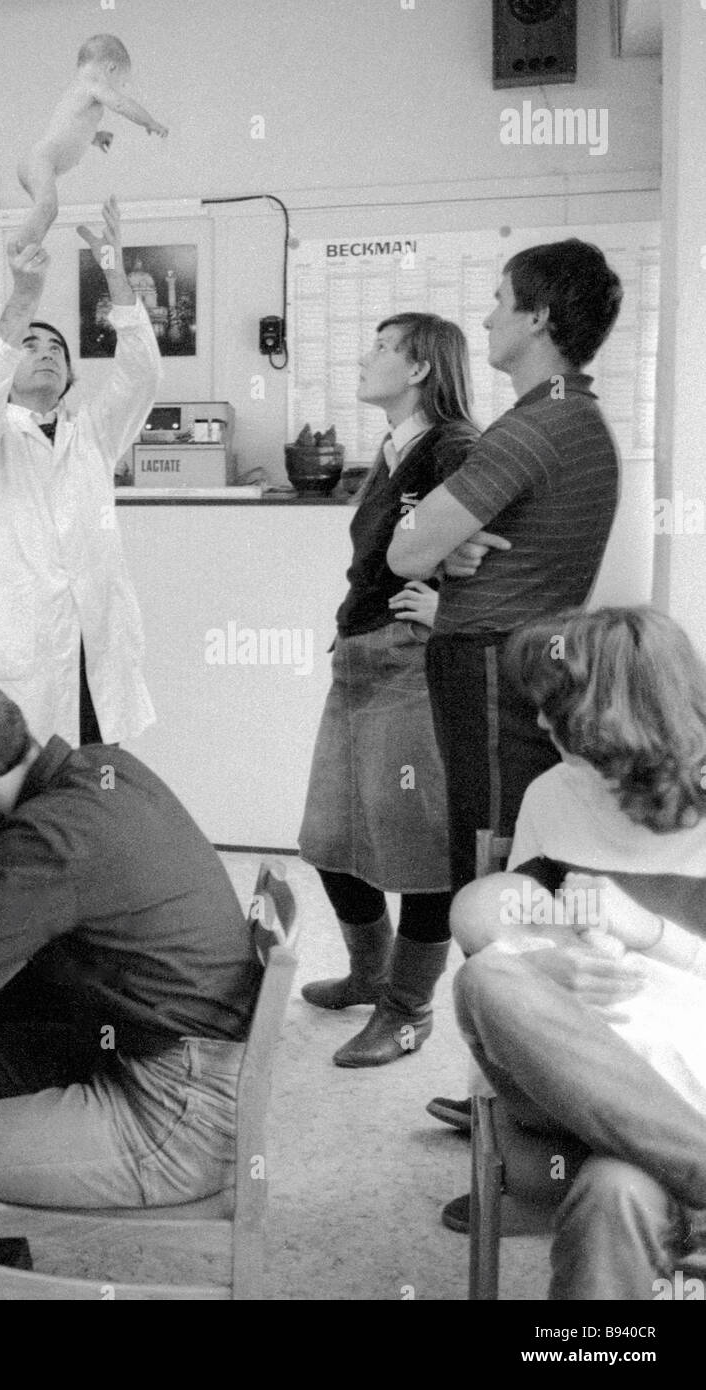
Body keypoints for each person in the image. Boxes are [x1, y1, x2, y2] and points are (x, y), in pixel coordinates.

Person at [0, 668, 262, 1239]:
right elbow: (76, 883)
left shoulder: (47, 839)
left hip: (177, 1116)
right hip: (158, 1049)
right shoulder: (105, 769)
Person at [382, 240, 623, 1131]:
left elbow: (404, 550)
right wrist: (453, 548)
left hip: (490, 666)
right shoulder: (577, 419)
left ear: (538, 317)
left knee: (491, 879)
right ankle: (513, 1092)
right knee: (517, 870)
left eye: (498, 300)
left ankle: (517, 1109)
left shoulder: (531, 427)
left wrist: (439, 546)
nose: (484, 318)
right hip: (522, 665)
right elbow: (435, 547)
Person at [445, 607, 706, 1298]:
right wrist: (540, 965)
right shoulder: (551, 796)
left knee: (614, 1194)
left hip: (687, 1080)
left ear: (613, 719)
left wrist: (651, 933)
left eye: (556, 708)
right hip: (586, 1079)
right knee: (486, 980)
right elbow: (502, 920)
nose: (539, 723)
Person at [298, 313, 479, 1067]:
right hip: (361, 655)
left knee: (419, 848)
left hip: (409, 662)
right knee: (329, 836)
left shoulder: (454, 447)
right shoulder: (395, 447)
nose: (363, 357)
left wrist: (450, 612)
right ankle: (370, 975)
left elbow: (504, 551)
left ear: (418, 368)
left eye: (380, 347)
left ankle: (407, 1013)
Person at [0, 196, 160, 749]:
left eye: (56, 349)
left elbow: (142, 374)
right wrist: (24, 296)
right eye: (30, 345)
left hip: (96, 646)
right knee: (26, 782)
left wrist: (114, 273)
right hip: (24, 654)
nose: (46, 353)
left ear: (70, 374)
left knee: (97, 773)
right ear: (10, 366)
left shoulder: (92, 434)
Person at [16, 34, 167, 253]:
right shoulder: (91, 85)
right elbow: (121, 104)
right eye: (120, 83)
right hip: (40, 160)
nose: (118, 89)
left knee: (48, 212)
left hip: (38, 163)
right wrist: (149, 122)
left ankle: (28, 250)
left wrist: (95, 137)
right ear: (111, 68)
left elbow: (71, 129)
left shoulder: (79, 94)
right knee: (47, 207)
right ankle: (19, 249)